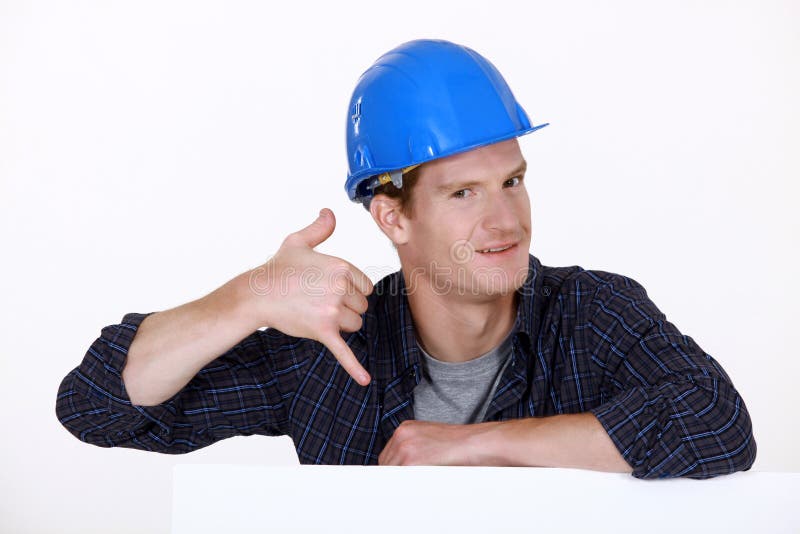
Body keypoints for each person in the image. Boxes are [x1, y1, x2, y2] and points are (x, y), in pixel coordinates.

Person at [56, 39, 756, 478]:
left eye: (512, 180)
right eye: (463, 193)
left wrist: (475, 444)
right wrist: (245, 299)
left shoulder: (593, 314)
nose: (506, 219)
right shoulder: (333, 354)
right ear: (392, 216)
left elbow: (717, 423)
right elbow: (97, 406)